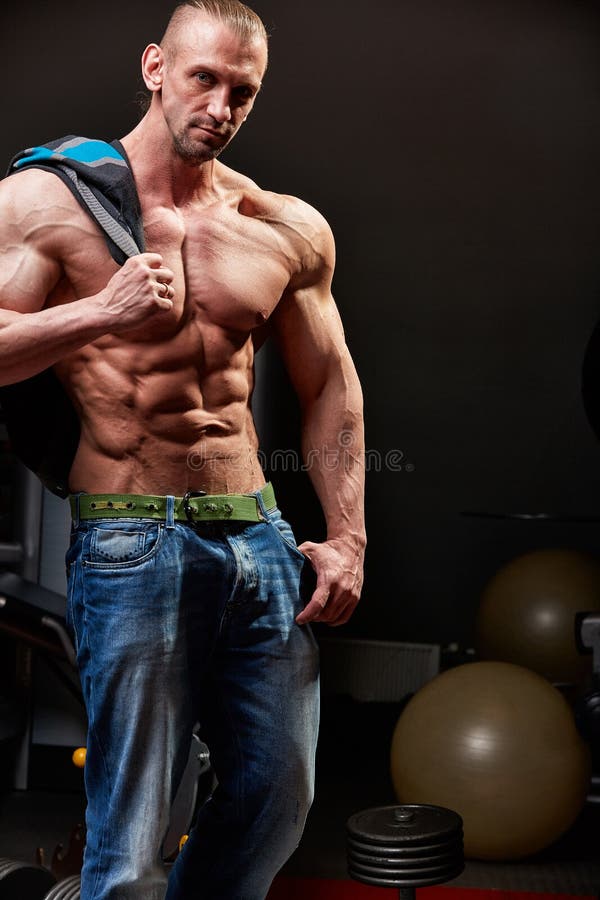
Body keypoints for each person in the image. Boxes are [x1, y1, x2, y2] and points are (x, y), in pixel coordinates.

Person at [0, 0, 366, 897]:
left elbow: (333, 389)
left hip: (259, 539)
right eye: (204, 77)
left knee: (276, 798)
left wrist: (348, 534)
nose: (222, 105)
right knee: (134, 839)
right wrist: (102, 311)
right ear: (156, 67)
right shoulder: (45, 202)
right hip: (131, 538)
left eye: (244, 90)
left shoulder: (282, 225)